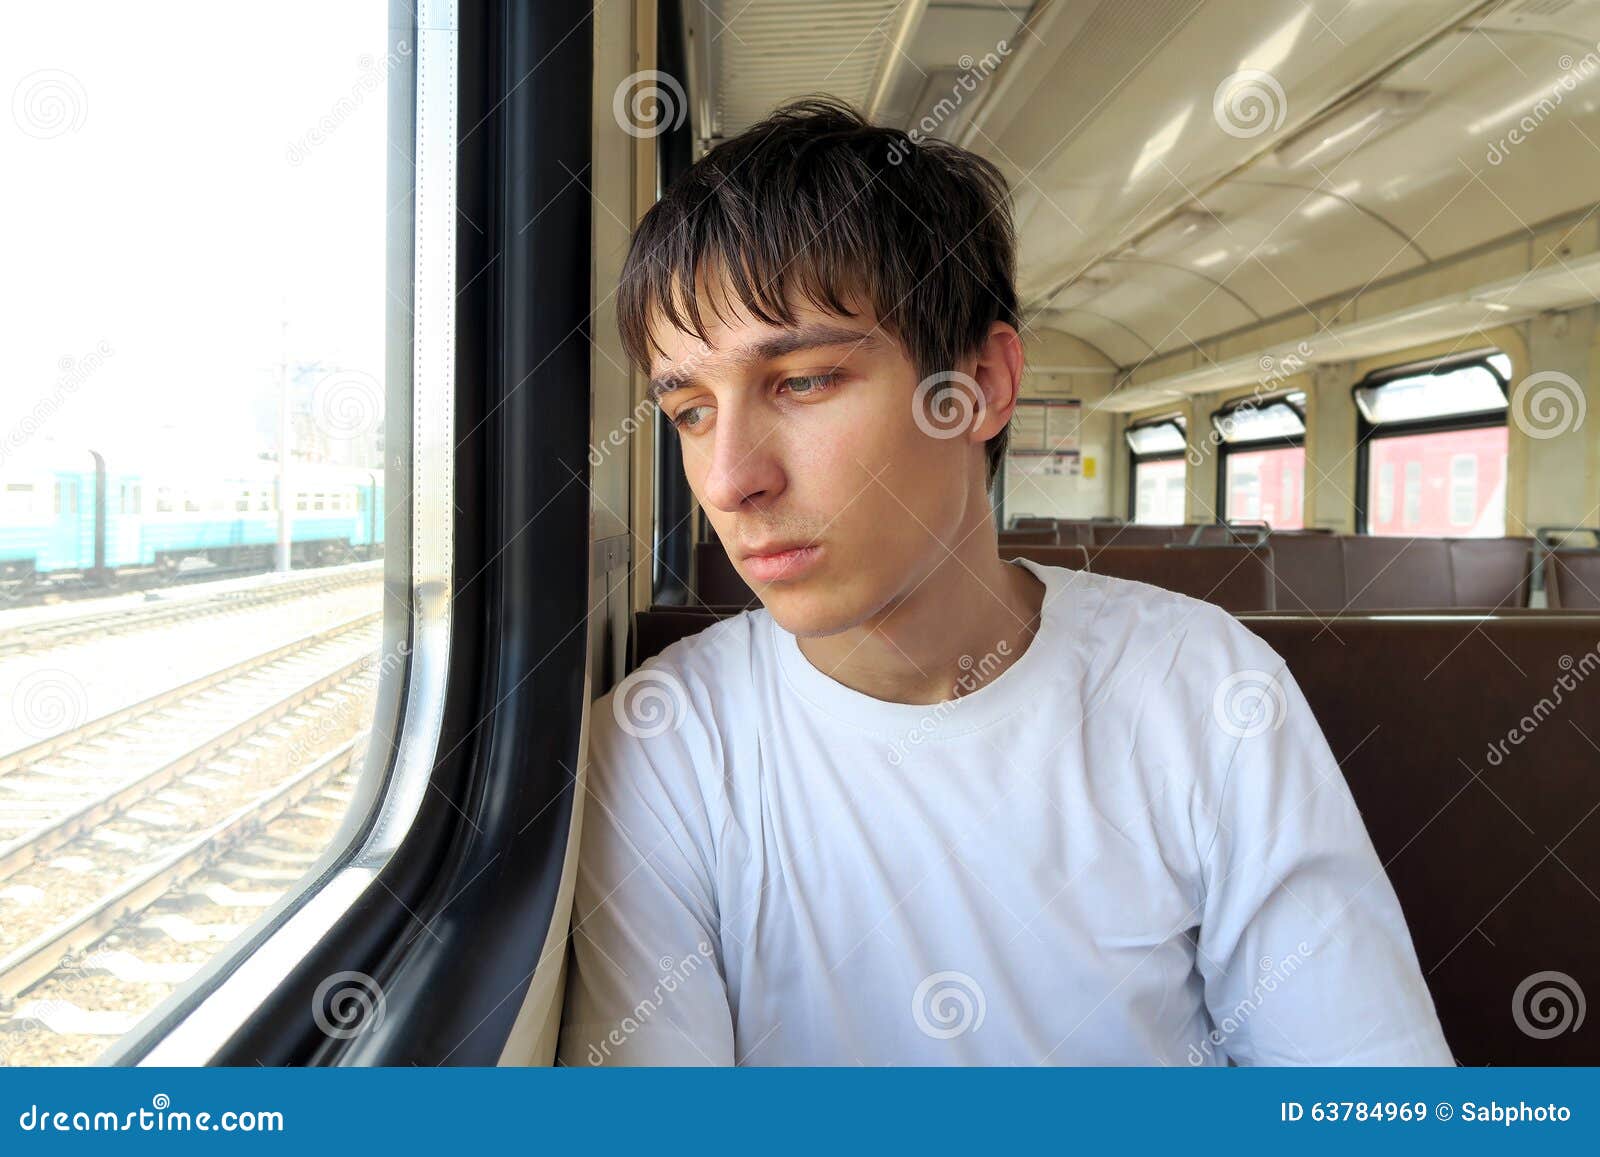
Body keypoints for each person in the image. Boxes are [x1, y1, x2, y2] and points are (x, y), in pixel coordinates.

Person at [556, 96, 1453, 1066]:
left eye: (803, 381)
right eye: (688, 410)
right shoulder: (656, 752)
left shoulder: (1199, 686)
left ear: (978, 383)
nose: (731, 478)